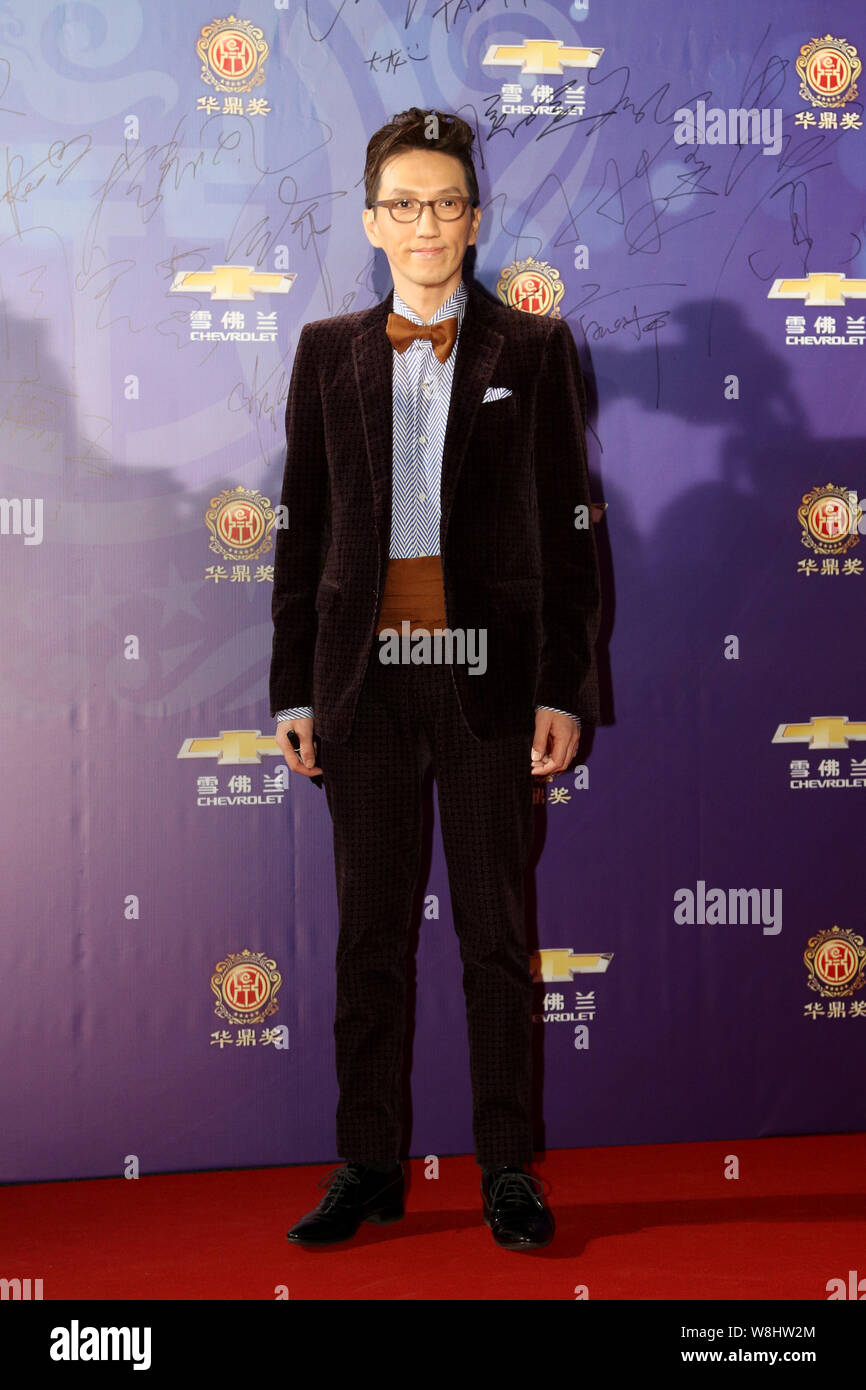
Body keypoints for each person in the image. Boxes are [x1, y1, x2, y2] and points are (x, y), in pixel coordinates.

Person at [269, 107, 601, 1251]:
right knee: (368, 940)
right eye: (402, 203)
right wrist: (291, 691)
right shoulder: (325, 352)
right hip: (361, 688)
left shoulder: (536, 351)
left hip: (484, 686)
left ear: (474, 218)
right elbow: (298, 530)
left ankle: (508, 1168)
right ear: (371, 221)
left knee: (495, 939)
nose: (425, 223)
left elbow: (569, 537)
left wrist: (562, 688)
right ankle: (367, 1163)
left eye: (446, 203)